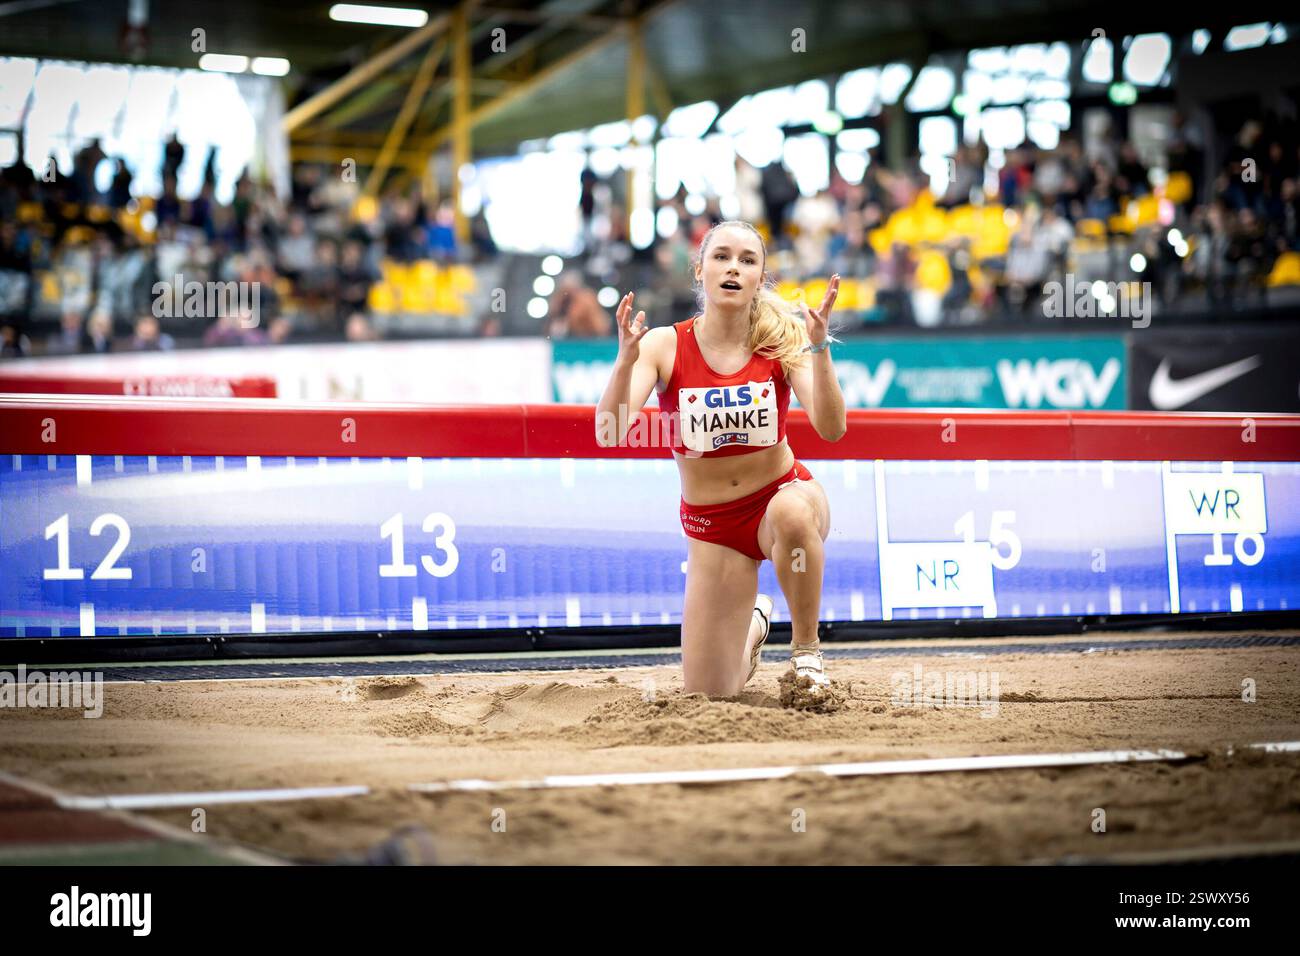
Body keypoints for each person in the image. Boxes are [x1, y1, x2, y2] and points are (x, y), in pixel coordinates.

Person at [595, 220, 847, 698]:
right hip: (713, 527)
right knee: (711, 696)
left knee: (792, 514)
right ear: (700, 271)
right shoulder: (664, 345)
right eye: (722, 257)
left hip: (781, 500)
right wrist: (625, 360)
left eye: (748, 260)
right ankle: (752, 628)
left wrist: (818, 348)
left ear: (759, 278)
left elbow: (832, 429)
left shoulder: (783, 338)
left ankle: (807, 652)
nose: (734, 267)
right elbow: (608, 434)